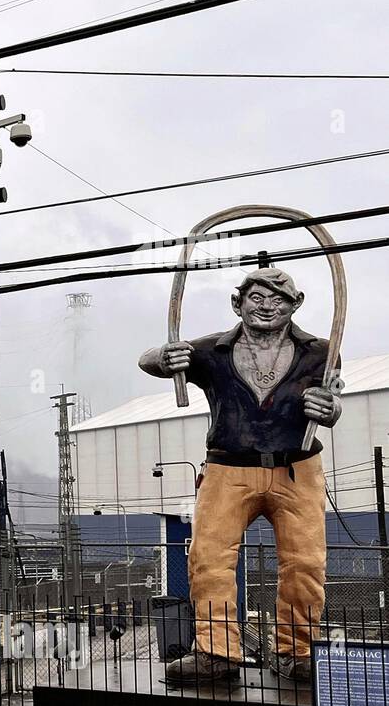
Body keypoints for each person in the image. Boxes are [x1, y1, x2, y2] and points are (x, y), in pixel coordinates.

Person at [138, 266, 341, 684]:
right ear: (238, 303)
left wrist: (331, 410)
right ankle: (217, 652)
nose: (268, 307)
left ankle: (297, 651)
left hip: (296, 468)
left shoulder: (322, 351)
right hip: (228, 469)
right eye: (257, 298)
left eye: (279, 299)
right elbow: (149, 361)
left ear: (296, 305)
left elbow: (335, 398)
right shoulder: (212, 350)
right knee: (209, 559)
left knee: (304, 563)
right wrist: (163, 356)